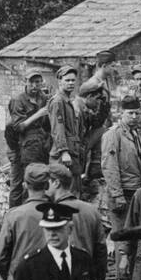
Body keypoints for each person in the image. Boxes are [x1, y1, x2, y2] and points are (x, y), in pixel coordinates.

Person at [101, 95, 141, 226]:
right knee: (123, 237)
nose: (134, 116)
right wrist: (117, 195)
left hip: (138, 191)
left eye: (137, 113)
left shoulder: (139, 135)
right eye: (130, 113)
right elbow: (109, 167)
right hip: (123, 193)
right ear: (121, 113)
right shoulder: (113, 135)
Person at [5, 71, 51, 207]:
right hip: (18, 146)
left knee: (35, 178)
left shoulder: (43, 97)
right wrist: (38, 114)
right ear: (25, 82)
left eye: (37, 82)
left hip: (36, 146)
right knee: (17, 183)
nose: (34, 85)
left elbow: (46, 124)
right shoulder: (18, 100)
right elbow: (18, 127)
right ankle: (13, 216)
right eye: (31, 82)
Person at [48, 65, 86, 193]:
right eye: (67, 80)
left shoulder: (68, 101)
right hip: (64, 154)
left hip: (73, 151)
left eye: (73, 80)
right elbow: (58, 128)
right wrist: (64, 151)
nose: (71, 83)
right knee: (64, 192)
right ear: (59, 82)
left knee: (74, 189)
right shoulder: (58, 101)